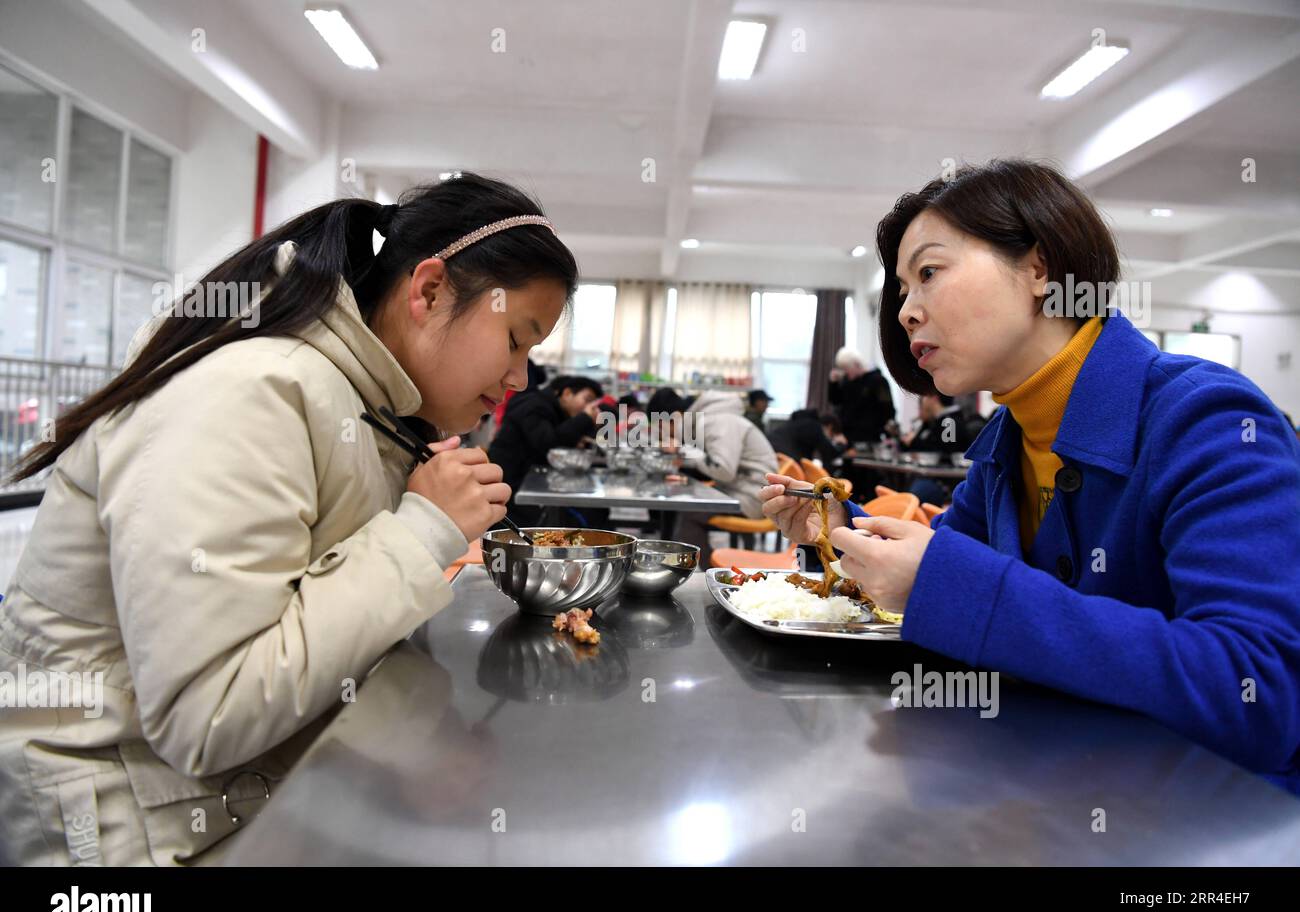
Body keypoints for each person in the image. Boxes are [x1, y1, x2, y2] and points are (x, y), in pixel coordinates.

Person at [0, 173, 579, 865]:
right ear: (427, 290)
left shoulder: (366, 407)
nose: (520, 378)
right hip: (127, 832)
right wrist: (422, 527)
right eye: (517, 339)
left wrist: (422, 753)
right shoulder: (247, 392)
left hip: (237, 798)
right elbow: (209, 715)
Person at [761, 158, 1300, 794]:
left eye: (929, 273)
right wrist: (837, 531)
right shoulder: (1006, 450)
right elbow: (941, 570)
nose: (906, 312)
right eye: (902, 291)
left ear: (1040, 271)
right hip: (1056, 796)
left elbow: (1262, 695)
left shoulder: (1204, 419)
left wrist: (960, 589)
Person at [646, 387, 776, 567]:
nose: (663, 434)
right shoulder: (710, 419)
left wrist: (681, 450)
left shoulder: (718, 421)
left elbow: (723, 469)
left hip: (753, 496)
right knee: (682, 503)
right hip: (740, 489)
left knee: (688, 513)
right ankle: (677, 565)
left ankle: (713, 573)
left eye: (661, 426)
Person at [488, 375, 603, 524]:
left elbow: (558, 437)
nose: (589, 408)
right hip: (509, 482)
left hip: (524, 481)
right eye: (587, 400)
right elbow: (548, 443)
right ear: (567, 393)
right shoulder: (534, 405)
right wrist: (585, 417)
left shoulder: (554, 409)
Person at [827, 347, 895, 445]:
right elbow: (835, 401)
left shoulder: (879, 381)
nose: (845, 372)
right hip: (847, 435)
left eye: (846, 368)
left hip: (870, 437)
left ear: (856, 364)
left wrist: (885, 434)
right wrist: (833, 384)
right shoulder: (848, 381)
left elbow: (888, 409)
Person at [768, 407, 847, 465]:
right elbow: (829, 453)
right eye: (831, 435)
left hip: (771, 454)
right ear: (830, 426)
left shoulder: (797, 422)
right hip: (787, 460)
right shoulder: (814, 426)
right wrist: (842, 445)